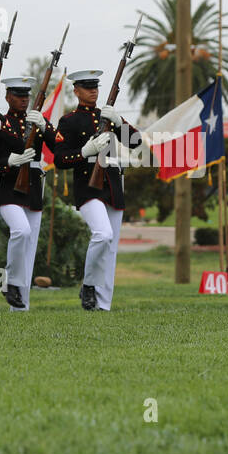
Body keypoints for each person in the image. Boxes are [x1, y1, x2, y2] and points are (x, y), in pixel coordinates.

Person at [53, 70, 142, 311]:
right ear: (77, 91)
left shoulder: (109, 117)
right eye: (87, 87)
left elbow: (136, 143)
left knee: (111, 248)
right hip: (88, 185)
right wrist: (84, 152)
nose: (93, 90)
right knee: (102, 234)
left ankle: (102, 305)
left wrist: (120, 122)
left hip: (112, 185)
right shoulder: (69, 121)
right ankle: (89, 285)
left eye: (95, 86)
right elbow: (60, 160)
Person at [0, 76, 52, 311]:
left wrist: (46, 127)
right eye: (18, 96)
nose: (23, 100)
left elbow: (58, 146)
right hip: (8, 186)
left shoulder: (36, 121)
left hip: (33, 187)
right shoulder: (1, 123)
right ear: (8, 97)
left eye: (27, 96)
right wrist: (8, 160)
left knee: (29, 247)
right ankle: (9, 280)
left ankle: (20, 306)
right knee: (21, 231)